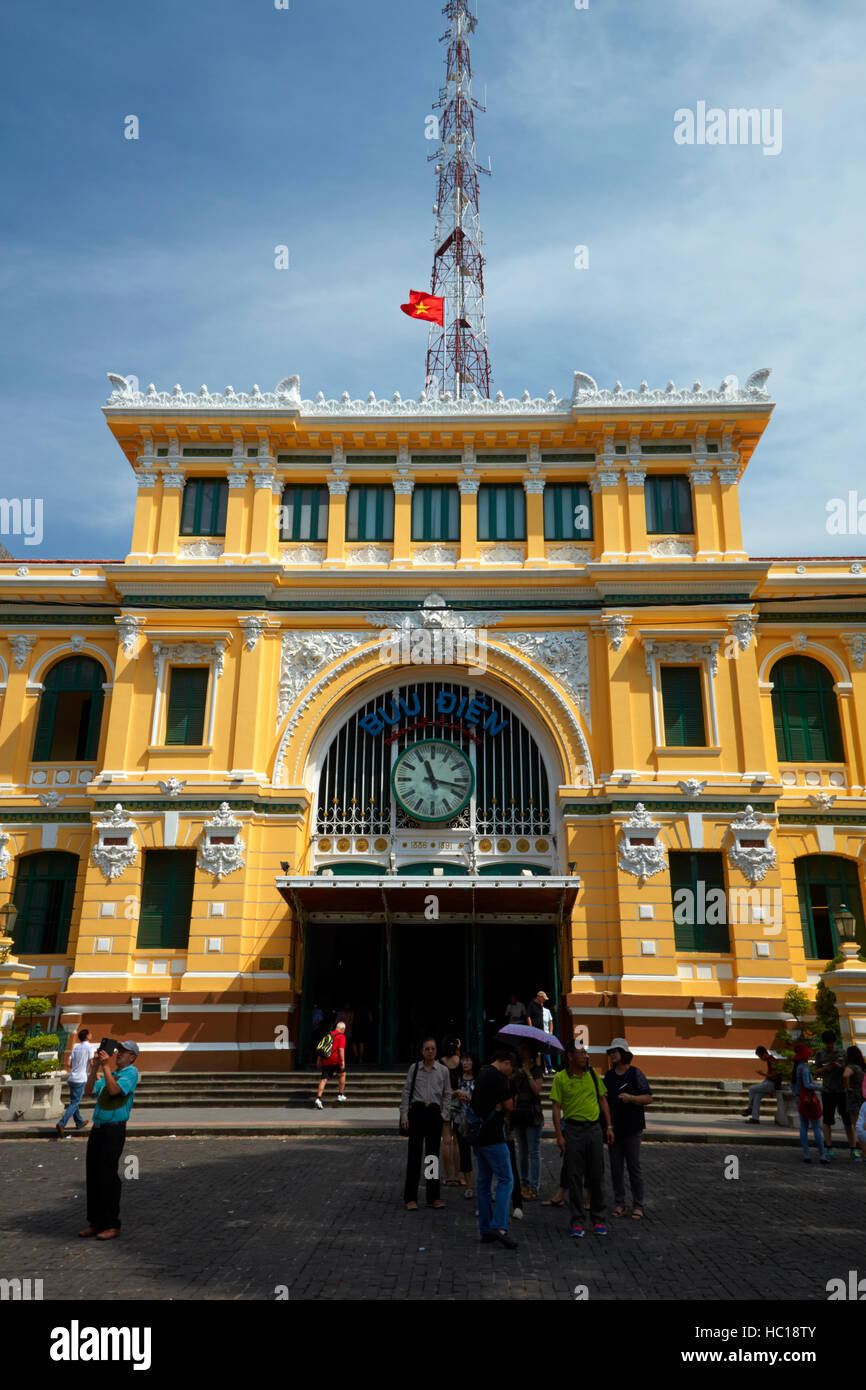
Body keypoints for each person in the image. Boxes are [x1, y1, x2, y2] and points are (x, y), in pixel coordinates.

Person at [550, 1041, 613, 1237]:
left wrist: (609, 1126)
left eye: (586, 1053)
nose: (585, 1056)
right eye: (580, 1053)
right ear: (569, 1056)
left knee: (596, 1175)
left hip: (594, 1129)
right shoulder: (560, 1078)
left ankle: (598, 1218)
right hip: (573, 1130)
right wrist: (559, 1136)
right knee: (574, 1176)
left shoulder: (592, 1074)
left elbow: (602, 1099)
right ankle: (577, 1221)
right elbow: (556, 1108)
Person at [79, 1040, 140, 1239]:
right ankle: (95, 1222)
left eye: (123, 1052)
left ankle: (112, 1223)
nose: (118, 1055)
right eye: (118, 1051)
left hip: (114, 1130)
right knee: (94, 1175)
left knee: (107, 1176)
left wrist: (104, 1066)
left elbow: (114, 1092)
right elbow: (89, 1091)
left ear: (132, 1057)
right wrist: (95, 1066)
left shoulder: (131, 1073)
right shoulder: (110, 1074)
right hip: (98, 1129)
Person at [602, 1038, 652, 1220]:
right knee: (616, 1168)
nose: (612, 1055)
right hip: (614, 1128)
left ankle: (638, 1205)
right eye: (610, 1052)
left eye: (615, 1051)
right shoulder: (608, 1076)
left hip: (632, 1127)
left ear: (624, 1054)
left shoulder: (635, 1074)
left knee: (634, 1167)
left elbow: (648, 1097)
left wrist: (631, 1098)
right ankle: (620, 1203)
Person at [473, 1048, 517, 1248]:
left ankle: (485, 1229)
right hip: (494, 1136)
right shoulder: (499, 1078)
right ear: (506, 1062)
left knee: (483, 1182)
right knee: (506, 1179)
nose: (511, 1071)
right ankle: (499, 1226)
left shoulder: (482, 1072)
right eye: (511, 1067)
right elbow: (509, 1107)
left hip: (479, 1135)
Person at [400, 1037, 450, 1210]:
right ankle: (410, 1198)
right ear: (422, 1051)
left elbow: (447, 1094)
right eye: (427, 1049)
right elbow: (406, 1092)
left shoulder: (443, 1071)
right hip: (417, 1112)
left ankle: (433, 1196)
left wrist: (444, 1115)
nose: (430, 1052)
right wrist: (404, 1115)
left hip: (434, 1114)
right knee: (414, 1156)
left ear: (436, 1051)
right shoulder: (414, 1069)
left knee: (432, 1156)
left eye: (433, 1049)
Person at [813, 1029, 854, 1158]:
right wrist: (826, 1068)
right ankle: (829, 1147)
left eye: (830, 1043)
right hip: (828, 1090)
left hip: (842, 1090)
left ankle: (853, 1148)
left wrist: (839, 1067)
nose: (829, 1046)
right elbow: (816, 1071)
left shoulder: (842, 1052)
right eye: (827, 1044)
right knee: (827, 1120)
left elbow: (848, 1069)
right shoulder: (820, 1053)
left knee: (848, 1121)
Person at [512, 1039, 544, 1199]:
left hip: (533, 1115)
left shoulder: (537, 1069)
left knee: (533, 1151)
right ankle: (523, 1183)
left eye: (525, 1048)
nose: (522, 1051)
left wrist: (528, 1073)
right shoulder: (515, 1069)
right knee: (522, 1152)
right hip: (518, 1114)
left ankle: (534, 1186)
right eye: (520, 1048)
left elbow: (537, 1090)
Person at [56, 1027, 97, 1138]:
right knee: (75, 1102)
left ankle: (79, 1122)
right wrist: (95, 1074)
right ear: (87, 1036)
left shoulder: (76, 1048)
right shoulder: (90, 1047)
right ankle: (62, 1123)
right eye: (90, 1034)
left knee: (74, 1102)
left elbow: (68, 1063)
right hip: (80, 1078)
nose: (91, 1035)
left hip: (72, 1078)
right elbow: (92, 1062)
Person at [791, 1042, 828, 1163]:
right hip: (809, 1099)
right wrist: (820, 1088)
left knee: (803, 1126)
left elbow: (794, 1088)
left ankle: (806, 1154)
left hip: (800, 1099)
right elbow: (807, 1085)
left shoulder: (796, 1068)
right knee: (816, 1127)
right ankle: (822, 1155)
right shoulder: (804, 1068)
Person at [454, 1052, 478, 1199]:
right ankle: (468, 1185)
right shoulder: (457, 1079)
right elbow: (447, 1094)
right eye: (463, 1060)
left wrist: (471, 1100)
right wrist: (456, 1092)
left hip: (475, 1121)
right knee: (464, 1153)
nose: (465, 1063)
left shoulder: (479, 1080)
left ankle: (484, 1184)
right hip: (460, 1120)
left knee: (481, 1153)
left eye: (468, 1060)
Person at [439, 1035, 462, 1186]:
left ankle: (447, 1175)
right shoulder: (460, 1062)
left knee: (446, 1141)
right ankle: (458, 1175)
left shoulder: (440, 1063)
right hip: (459, 1102)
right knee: (457, 1142)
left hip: (445, 1101)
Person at [742, 1045, 782, 1124]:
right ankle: (755, 1118)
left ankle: (750, 1108)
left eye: (760, 1056)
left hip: (772, 1084)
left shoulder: (772, 1061)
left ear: (764, 1054)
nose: (761, 1059)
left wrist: (762, 1074)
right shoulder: (770, 1060)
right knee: (756, 1097)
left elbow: (774, 1076)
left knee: (751, 1088)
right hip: (769, 1083)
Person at [314, 1019, 347, 1108]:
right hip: (336, 1060)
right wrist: (343, 1061)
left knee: (324, 1079)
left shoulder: (328, 1035)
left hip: (326, 1059)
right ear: (342, 1029)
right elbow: (341, 1049)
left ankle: (318, 1098)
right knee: (342, 1074)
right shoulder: (341, 1036)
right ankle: (340, 1094)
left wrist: (319, 1060)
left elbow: (322, 1048)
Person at [842, 1045, 866, 1158]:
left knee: (858, 1126)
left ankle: (864, 1151)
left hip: (854, 1098)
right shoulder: (861, 1067)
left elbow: (845, 1075)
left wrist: (847, 1087)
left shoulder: (851, 1067)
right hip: (862, 1097)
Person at [542, 996, 557, 1074]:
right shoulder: (535, 1011)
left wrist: (551, 1033)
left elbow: (550, 1022)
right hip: (538, 1033)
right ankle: (543, 1068)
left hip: (546, 1034)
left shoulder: (547, 1011)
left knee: (546, 1051)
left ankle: (549, 1068)